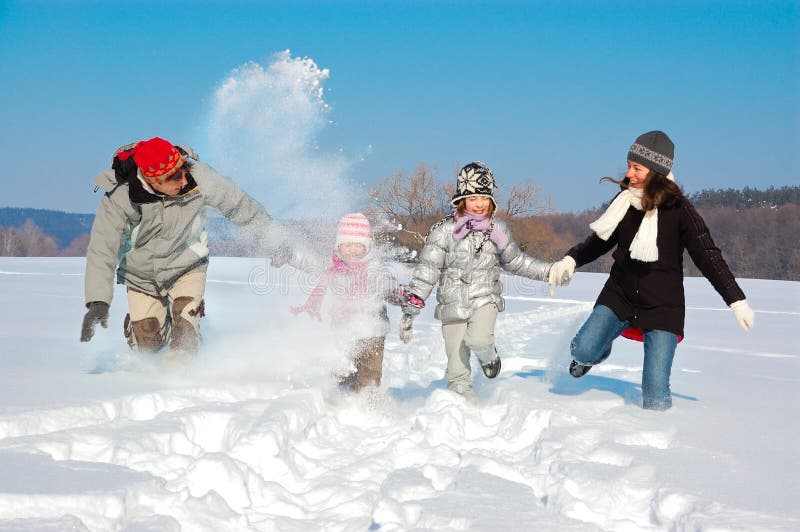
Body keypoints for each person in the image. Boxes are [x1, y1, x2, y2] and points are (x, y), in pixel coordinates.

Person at [549, 130, 755, 410]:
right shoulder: (623, 201)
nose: (629, 174)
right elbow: (600, 241)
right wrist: (571, 259)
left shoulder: (680, 210)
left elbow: (708, 256)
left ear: (657, 172)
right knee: (583, 349)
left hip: (662, 306)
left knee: (656, 395)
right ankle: (594, 351)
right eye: (629, 165)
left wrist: (736, 300)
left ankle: (656, 446)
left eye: (637, 168)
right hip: (620, 295)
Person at [80, 137, 316, 368]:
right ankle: (139, 328)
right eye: (174, 177)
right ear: (154, 180)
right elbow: (103, 249)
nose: (184, 180)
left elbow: (243, 209)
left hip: (187, 266)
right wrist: (98, 301)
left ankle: (179, 384)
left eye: (183, 170)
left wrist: (277, 244)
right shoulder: (122, 198)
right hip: (140, 277)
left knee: (185, 334)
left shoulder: (199, 178)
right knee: (149, 342)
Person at [401, 161, 560, 403]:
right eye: (473, 197)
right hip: (452, 304)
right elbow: (427, 269)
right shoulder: (444, 232)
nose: (479, 203)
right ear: (461, 199)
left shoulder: (498, 230)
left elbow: (516, 261)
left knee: (478, 339)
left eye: (484, 198)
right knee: (456, 370)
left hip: (485, 298)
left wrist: (549, 271)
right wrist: (413, 302)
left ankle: (489, 357)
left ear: (491, 201)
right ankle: (465, 409)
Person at [291, 213, 408, 391]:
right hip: (342, 332)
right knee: (341, 374)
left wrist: (393, 291)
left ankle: (368, 406)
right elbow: (310, 262)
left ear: (367, 247)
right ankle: (341, 405)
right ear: (339, 246)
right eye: (347, 244)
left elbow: (385, 279)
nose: (352, 250)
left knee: (369, 376)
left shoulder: (373, 266)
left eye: (358, 245)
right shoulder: (332, 267)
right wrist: (290, 255)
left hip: (372, 333)